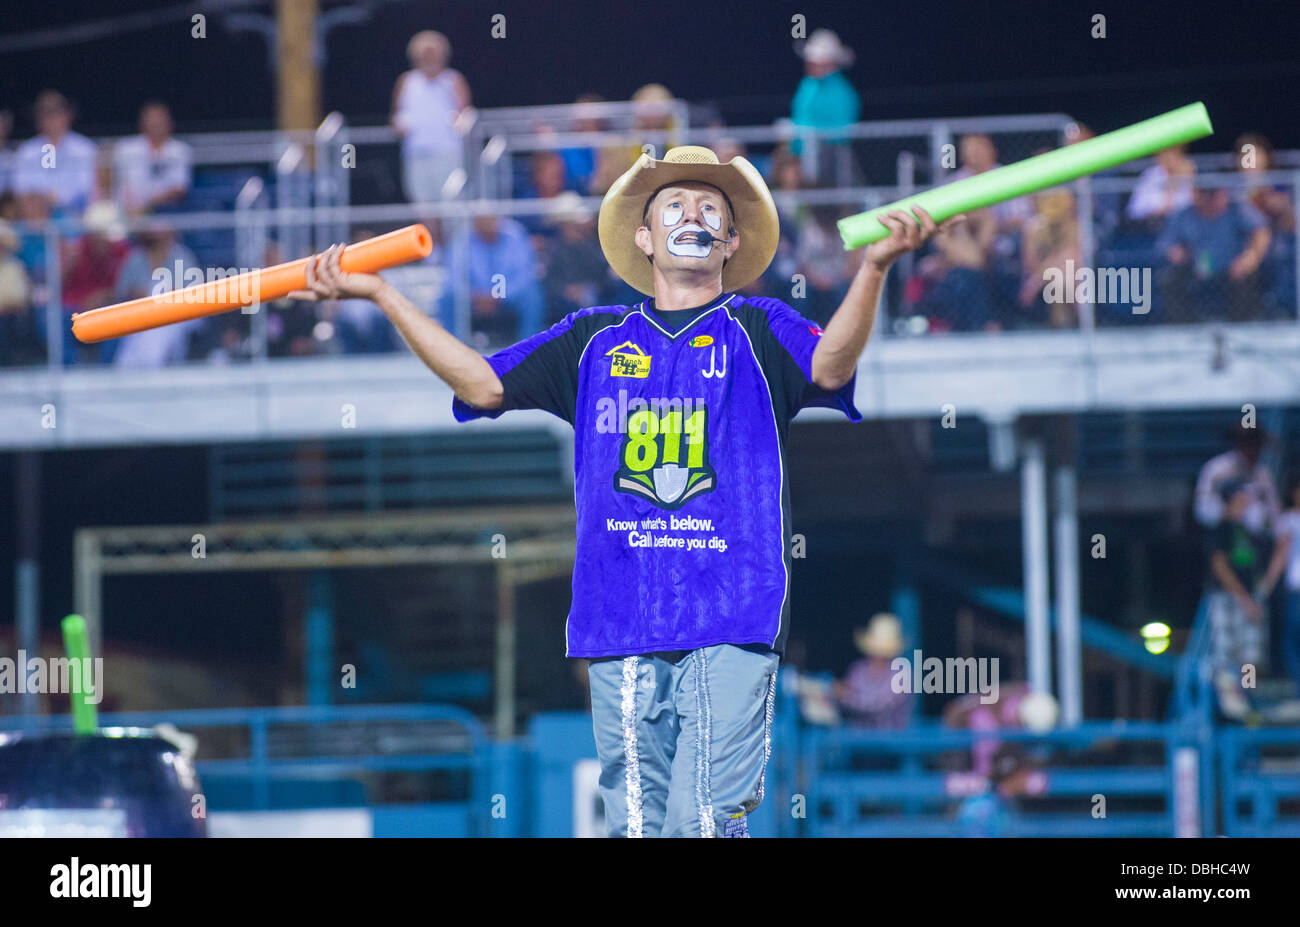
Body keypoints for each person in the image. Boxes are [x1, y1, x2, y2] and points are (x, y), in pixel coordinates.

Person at [289, 144, 962, 837]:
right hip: (621, 627)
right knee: (638, 830)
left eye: (711, 209)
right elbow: (480, 383)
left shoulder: (759, 329)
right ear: (645, 238)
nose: (692, 214)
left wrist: (875, 267)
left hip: (732, 618)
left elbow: (829, 363)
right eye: (674, 204)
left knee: (700, 822)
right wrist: (383, 294)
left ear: (730, 242)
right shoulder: (592, 339)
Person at [1206, 479, 1287, 719]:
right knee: (1225, 654)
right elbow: (1219, 565)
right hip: (1228, 598)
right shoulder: (1220, 529)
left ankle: (1247, 697)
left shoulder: (1251, 531)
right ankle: (1231, 702)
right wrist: (1244, 599)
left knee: (1250, 656)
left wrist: (1259, 595)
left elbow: (1270, 562)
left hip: (1250, 597)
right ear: (1234, 498)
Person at [1157, 186, 1270, 322]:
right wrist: (1175, 251)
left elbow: (1262, 231)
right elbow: (1166, 243)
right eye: (1205, 194)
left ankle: (1242, 322)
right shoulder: (1184, 214)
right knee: (1169, 278)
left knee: (1247, 275)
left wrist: (1251, 256)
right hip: (1195, 265)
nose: (1210, 199)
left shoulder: (1237, 210)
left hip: (1232, 266)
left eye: (1214, 194)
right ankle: (1186, 324)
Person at [391, 30, 473, 204]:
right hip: (416, 152)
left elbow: (466, 113)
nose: (429, 59)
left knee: (452, 204)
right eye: (424, 54)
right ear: (415, 57)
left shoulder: (454, 80)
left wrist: (461, 123)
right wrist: (400, 126)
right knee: (423, 204)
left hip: (448, 152)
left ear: (443, 55)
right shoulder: (406, 81)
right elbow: (396, 116)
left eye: (433, 54)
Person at [110, 222, 200, 367]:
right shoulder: (135, 259)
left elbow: (195, 294)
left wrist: (170, 295)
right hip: (139, 316)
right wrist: (137, 293)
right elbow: (121, 293)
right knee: (129, 352)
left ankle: (154, 370)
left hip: (176, 316)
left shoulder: (181, 256)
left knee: (158, 336)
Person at [11, 90, 99, 218]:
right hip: (38, 215)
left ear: (68, 115)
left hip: (77, 214)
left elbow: (88, 187)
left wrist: (60, 199)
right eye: (46, 114)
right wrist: (45, 199)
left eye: (57, 113)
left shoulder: (85, 149)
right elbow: (22, 189)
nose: (52, 119)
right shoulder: (26, 152)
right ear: (38, 119)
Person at [789, 29, 860, 184]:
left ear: (830, 63)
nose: (809, 64)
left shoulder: (843, 92)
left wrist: (809, 136)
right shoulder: (807, 85)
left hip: (828, 157)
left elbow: (843, 131)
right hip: (799, 153)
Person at [1195, 424, 1280, 536]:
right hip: (1220, 536)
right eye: (1248, 445)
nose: (1253, 450)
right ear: (1239, 445)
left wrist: (1256, 514)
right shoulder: (1216, 470)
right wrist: (1229, 511)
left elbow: (1275, 517)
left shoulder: (1263, 477)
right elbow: (1202, 510)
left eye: (1257, 446)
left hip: (1254, 541)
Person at [112, 102, 193, 216]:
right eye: (151, 119)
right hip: (126, 210)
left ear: (170, 123)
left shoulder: (180, 150)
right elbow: (119, 182)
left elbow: (179, 189)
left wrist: (146, 205)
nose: (155, 123)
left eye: (160, 119)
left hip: (164, 211)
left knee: (161, 230)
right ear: (142, 123)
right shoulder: (126, 148)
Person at [835, 613, 910, 729]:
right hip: (855, 743)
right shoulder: (858, 670)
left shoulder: (902, 675)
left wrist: (845, 697)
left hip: (892, 744)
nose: (878, 656)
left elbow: (880, 706)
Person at [1275, 478, 1300, 695]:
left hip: (1295, 588)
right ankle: (1247, 688)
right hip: (1295, 586)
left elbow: (1280, 555)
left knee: (1291, 640)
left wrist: (1267, 584)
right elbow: (1282, 554)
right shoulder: (1288, 520)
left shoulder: (1289, 521)